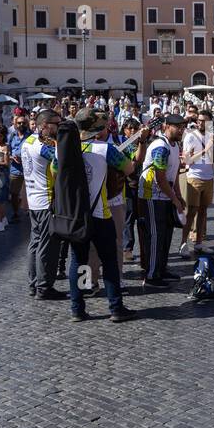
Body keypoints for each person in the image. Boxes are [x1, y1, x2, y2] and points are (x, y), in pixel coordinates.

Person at [68, 109, 137, 323]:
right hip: (101, 213)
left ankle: (77, 308)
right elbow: (128, 168)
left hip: (77, 215)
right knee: (109, 261)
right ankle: (116, 307)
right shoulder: (105, 149)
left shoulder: (66, 149)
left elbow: (55, 171)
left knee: (79, 262)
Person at [138, 114, 187, 288]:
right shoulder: (161, 147)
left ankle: (161, 269)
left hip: (165, 195)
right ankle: (151, 275)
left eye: (183, 127)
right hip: (153, 196)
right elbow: (160, 178)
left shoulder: (175, 145)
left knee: (166, 236)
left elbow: (173, 175)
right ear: (166, 126)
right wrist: (175, 199)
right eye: (177, 127)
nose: (181, 130)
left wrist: (179, 195)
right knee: (155, 236)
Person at [21, 110, 65, 298]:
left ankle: (33, 284)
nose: (60, 127)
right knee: (47, 247)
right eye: (57, 123)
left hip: (33, 199)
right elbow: (61, 164)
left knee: (35, 243)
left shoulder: (27, 141)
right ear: (45, 126)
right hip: (46, 200)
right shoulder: (43, 146)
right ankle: (44, 287)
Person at [180, 111, 214, 257]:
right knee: (191, 212)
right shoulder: (190, 136)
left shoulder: (212, 136)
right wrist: (205, 150)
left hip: (209, 177)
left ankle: (199, 243)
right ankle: (183, 244)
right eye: (199, 120)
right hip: (194, 177)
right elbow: (186, 161)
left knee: (203, 211)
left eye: (204, 121)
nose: (200, 123)